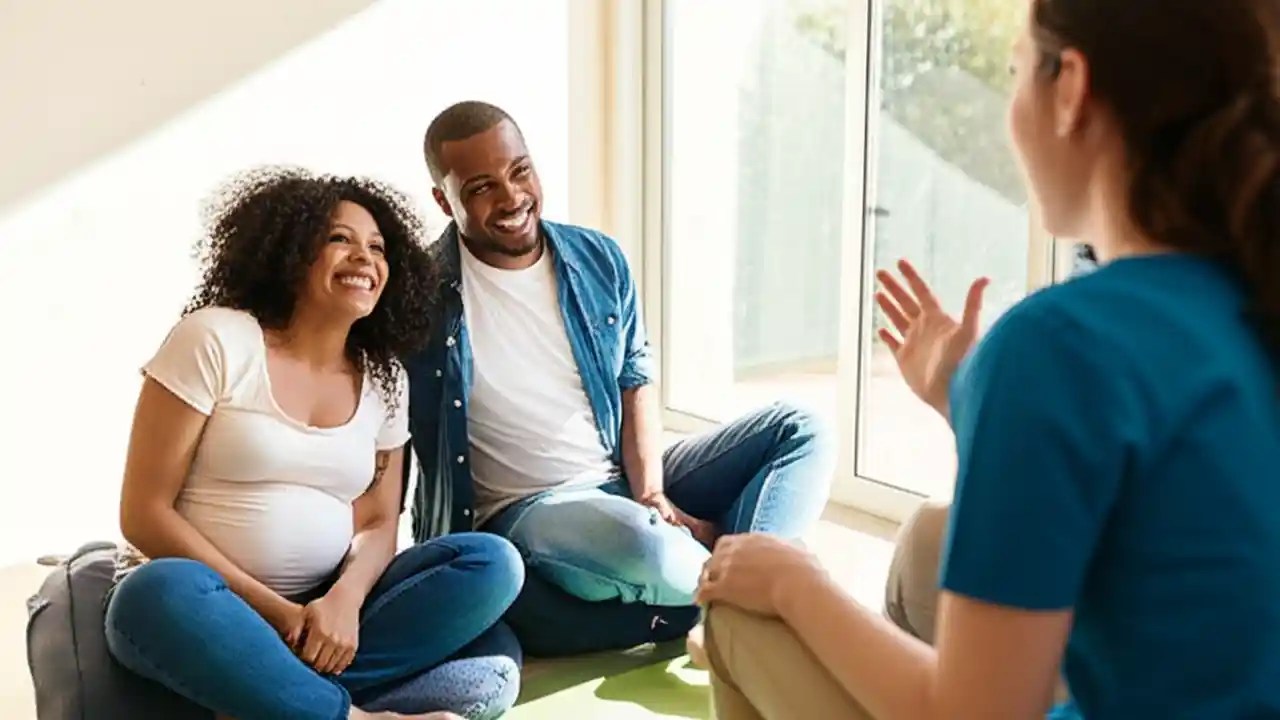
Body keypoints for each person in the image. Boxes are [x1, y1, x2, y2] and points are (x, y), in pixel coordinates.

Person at [695, 1, 1280, 718]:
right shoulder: (1249, 294)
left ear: (1069, 88)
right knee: (922, 548)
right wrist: (959, 392)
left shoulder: (1060, 343)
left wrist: (797, 581)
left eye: (1012, 73)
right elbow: (1165, 489)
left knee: (739, 610)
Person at [404, 101, 835, 656]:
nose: (512, 198)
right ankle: (758, 591)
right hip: (528, 510)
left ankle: (736, 592)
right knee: (648, 549)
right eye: (482, 187)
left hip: (619, 474)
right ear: (443, 199)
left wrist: (651, 490)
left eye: (520, 171)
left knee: (800, 428)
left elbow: (635, 381)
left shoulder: (597, 258)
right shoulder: (418, 297)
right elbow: (380, 431)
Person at [104, 166, 525, 720]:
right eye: (339, 239)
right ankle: (344, 713)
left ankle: (260, 692)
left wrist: (344, 602)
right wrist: (281, 616)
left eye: (377, 248)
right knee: (157, 593)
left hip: (325, 615)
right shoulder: (215, 339)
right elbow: (144, 515)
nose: (365, 259)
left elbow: (378, 522)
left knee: (491, 563)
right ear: (291, 253)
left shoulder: (386, 379)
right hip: (210, 604)